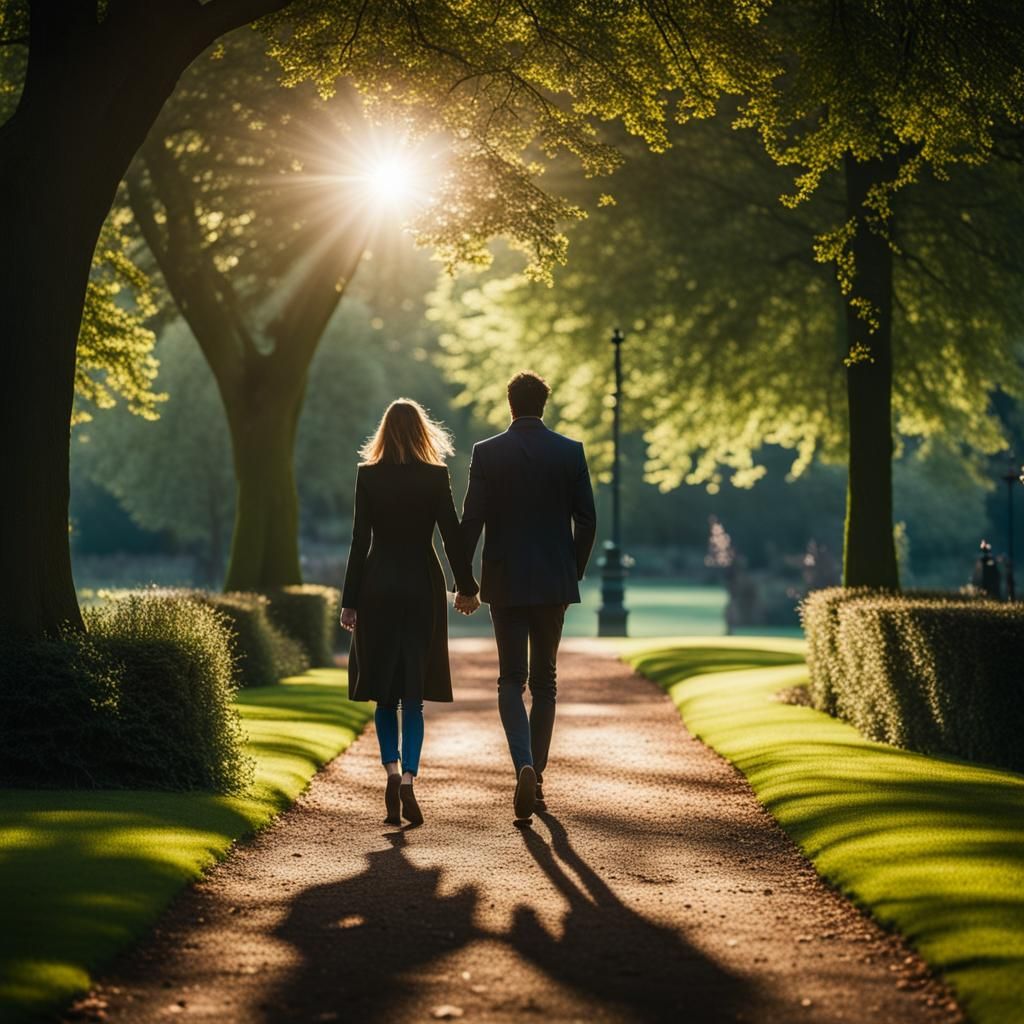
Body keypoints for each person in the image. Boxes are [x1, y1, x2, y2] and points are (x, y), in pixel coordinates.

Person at [457, 371, 597, 820]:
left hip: (505, 581)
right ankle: (536, 781)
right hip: (554, 581)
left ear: (510, 403)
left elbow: (471, 521)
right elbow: (587, 521)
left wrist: (465, 582)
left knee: (510, 680)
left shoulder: (487, 452)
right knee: (545, 683)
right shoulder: (570, 452)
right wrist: (571, 571)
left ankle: (523, 765)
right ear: (543, 404)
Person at [340, 399, 480, 827]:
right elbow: (451, 536)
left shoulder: (368, 475)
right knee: (413, 695)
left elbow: (359, 541)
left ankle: (391, 770)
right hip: (421, 583)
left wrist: (349, 601)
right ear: (423, 431)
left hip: (378, 584)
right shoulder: (435, 476)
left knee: (384, 693)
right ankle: (409, 779)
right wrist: (467, 586)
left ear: (384, 432)